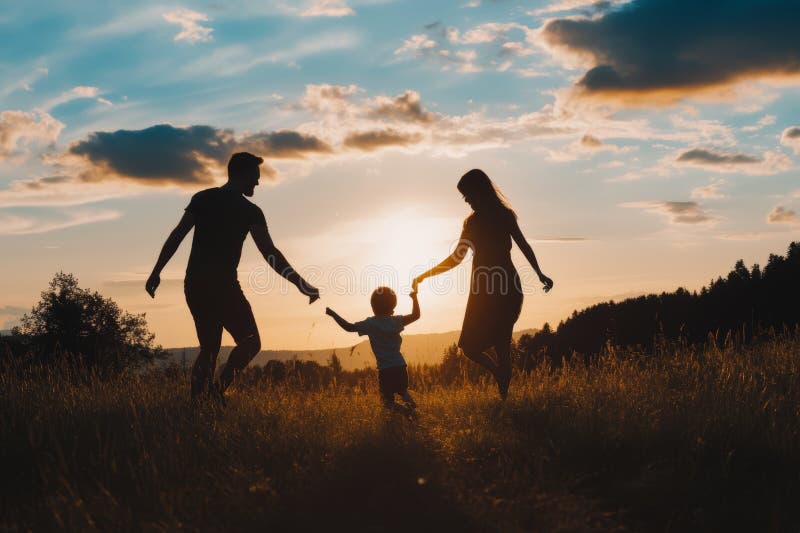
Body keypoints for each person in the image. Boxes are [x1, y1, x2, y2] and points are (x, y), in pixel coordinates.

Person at [145, 152, 320, 402]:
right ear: (243, 173)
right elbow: (269, 252)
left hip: (195, 283)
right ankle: (216, 393)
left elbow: (177, 235)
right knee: (251, 342)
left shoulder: (202, 198)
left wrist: (156, 271)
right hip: (223, 285)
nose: (258, 183)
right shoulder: (250, 211)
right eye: (255, 177)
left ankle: (197, 406)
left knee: (209, 349)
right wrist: (300, 283)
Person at [413, 169, 553, 399]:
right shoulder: (472, 223)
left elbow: (523, 245)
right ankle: (499, 375)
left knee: (502, 347)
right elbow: (456, 259)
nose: (466, 200)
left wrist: (539, 273)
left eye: (467, 195)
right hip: (483, 291)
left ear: (480, 190)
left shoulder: (503, 216)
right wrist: (427, 274)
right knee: (469, 347)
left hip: (503, 287)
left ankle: (504, 402)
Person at [325, 287, 419, 414]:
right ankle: (411, 405)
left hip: (386, 370)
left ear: (373, 306)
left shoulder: (370, 324)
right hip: (401, 367)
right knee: (402, 391)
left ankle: (408, 412)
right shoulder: (396, 321)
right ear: (393, 305)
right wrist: (414, 298)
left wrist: (332, 314)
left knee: (387, 403)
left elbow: (348, 327)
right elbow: (416, 315)